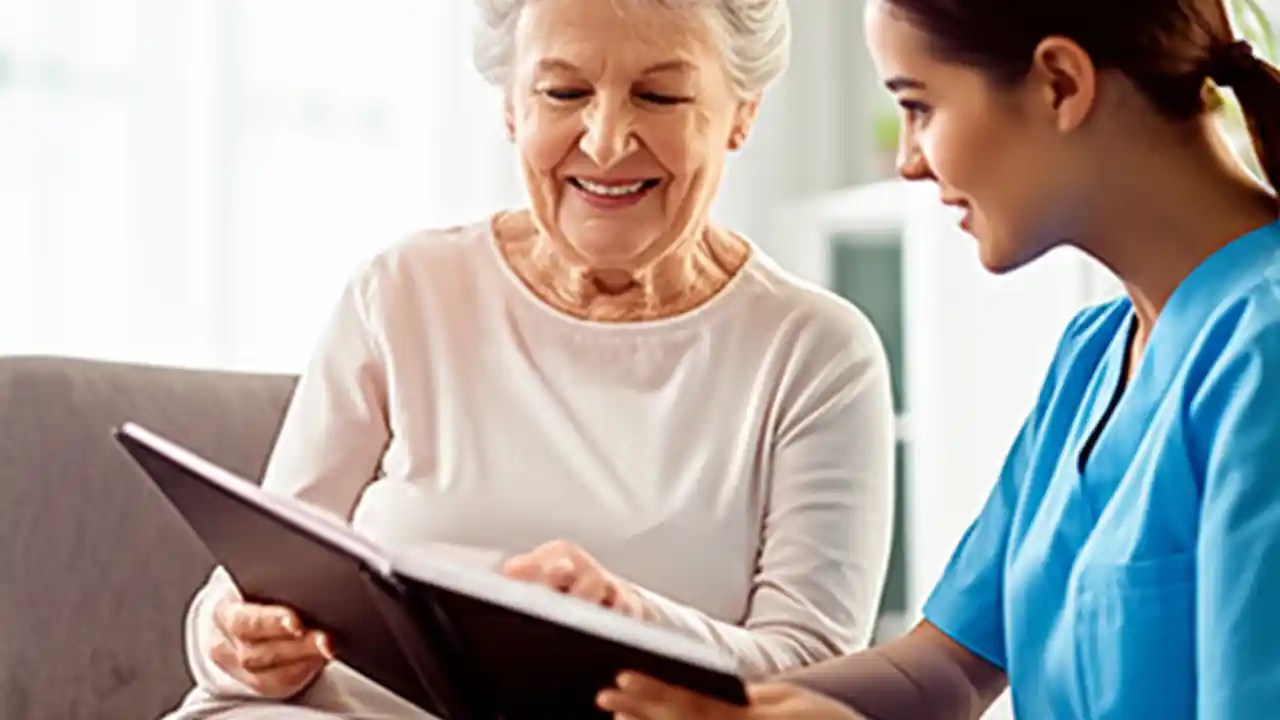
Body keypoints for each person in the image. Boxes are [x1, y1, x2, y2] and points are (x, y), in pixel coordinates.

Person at [164, 1, 897, 718]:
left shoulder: (817, 355)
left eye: (660, 94)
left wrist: (629, 624)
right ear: (512, 106)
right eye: (564, 92)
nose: (607, 141)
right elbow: (261, 574)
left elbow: (814, 681)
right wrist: (233, 637)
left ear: (744, 111)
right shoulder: (403, 290)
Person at [597, 0, 1280, 718]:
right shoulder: (1095, 356)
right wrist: (674, 701)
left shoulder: (1261, 355)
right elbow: (943, 675)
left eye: (920, 106)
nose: (909, 160)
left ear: (1060, 84)